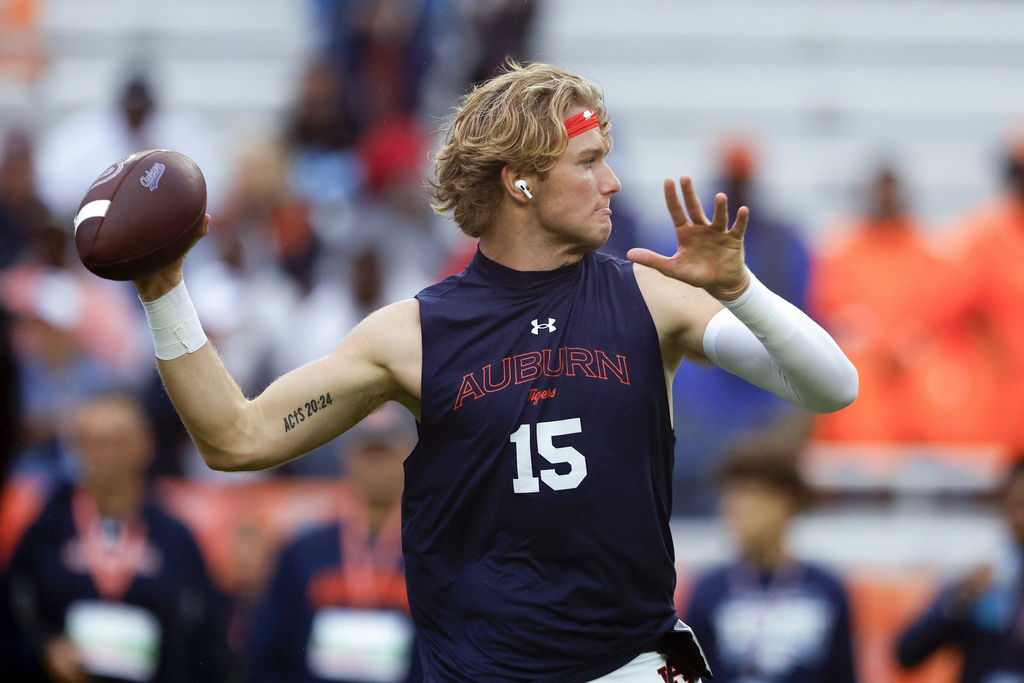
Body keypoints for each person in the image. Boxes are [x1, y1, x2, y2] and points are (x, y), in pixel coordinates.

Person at [127, 61, 857, 681]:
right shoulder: (413, 332)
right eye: (589, 160)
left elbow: (833, 386)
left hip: (633, 666)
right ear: (521, 183)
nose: (612, 182)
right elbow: (238, 437)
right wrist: (162, 292)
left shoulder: (649, 295)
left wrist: (741, 289)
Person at [1, 391, 230, 682]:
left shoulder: (176, 539)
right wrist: (44, 651)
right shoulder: (45, 532)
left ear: (146, 445)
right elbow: (13, 620)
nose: (104, 454)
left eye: (117, 441)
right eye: (92, 442)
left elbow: (204, 640)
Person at [247, 401, 422, 682]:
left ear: (411, 456)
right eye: (368, 453)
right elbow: (270, 649)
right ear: (347, 456)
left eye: (387, 453)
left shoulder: (433, 555)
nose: (376, 465)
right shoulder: (302, 552)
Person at [683, 449, 857, 682]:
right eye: (730, 496)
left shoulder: (826, 588)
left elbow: (843, 673)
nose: (734, 509)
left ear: (785, 503)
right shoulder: (709, 589)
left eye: (748, 495)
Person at [896, 459, 1024, 681]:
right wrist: (960, 600)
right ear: (1002, 505)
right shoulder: (983, 578)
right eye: (1018, 504)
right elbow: (907, 654)